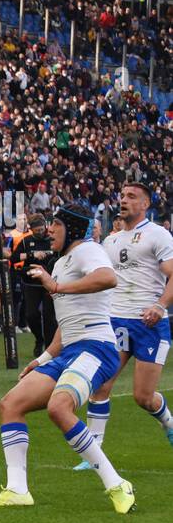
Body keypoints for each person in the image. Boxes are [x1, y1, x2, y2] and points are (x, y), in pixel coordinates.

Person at [0, 207, 134, 513]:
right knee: (10, 405)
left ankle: (117, 483)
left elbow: (107, 277)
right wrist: (44, 357)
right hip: (70, 351)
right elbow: (69, 322)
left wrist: (57, 286)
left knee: (58, 408)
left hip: (96, 348)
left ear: (74, 229)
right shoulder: (62, 262)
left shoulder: (86, 250)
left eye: (57, 224)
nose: (49, 230)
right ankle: (17, 489)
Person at [74, 183, 173, 470]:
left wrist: (159, 306)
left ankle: (168, 423)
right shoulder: (111, 241)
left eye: (131, 197)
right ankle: (93, 455)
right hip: (115, 321)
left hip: (149, 323)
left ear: (145, 204)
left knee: (143, 397)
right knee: (101, 385)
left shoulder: (159, 235)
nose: (124, 201)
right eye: (122, 196)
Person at [18, 213, 57, 357]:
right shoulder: (26, 241)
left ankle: (49, 349)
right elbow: (14, 256)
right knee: (31, 315)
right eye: (37, 230)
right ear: (31, 229)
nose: (40, 233)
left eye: (42, 229)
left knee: (49, 318)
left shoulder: (51, 239)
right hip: (31, 283)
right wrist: (31, 255)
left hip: (49, 283)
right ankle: (39, 339)